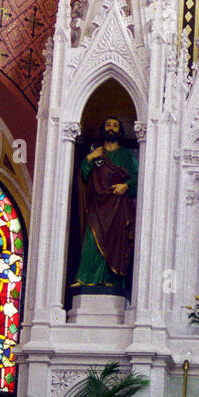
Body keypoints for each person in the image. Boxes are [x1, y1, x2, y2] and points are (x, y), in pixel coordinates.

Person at [72, 117, 137, 295]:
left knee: (116, 243)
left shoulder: (126, 156)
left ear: (120, 132)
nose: (111, 128)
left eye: (115, 125)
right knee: (92, 240)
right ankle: (86, 279)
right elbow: (84, 176)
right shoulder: (96, 153)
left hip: (118, 207)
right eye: (108, 124)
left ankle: (112, 281)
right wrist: (90, 157)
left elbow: (137, 176)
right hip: (97, 205)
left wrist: (126, 186)